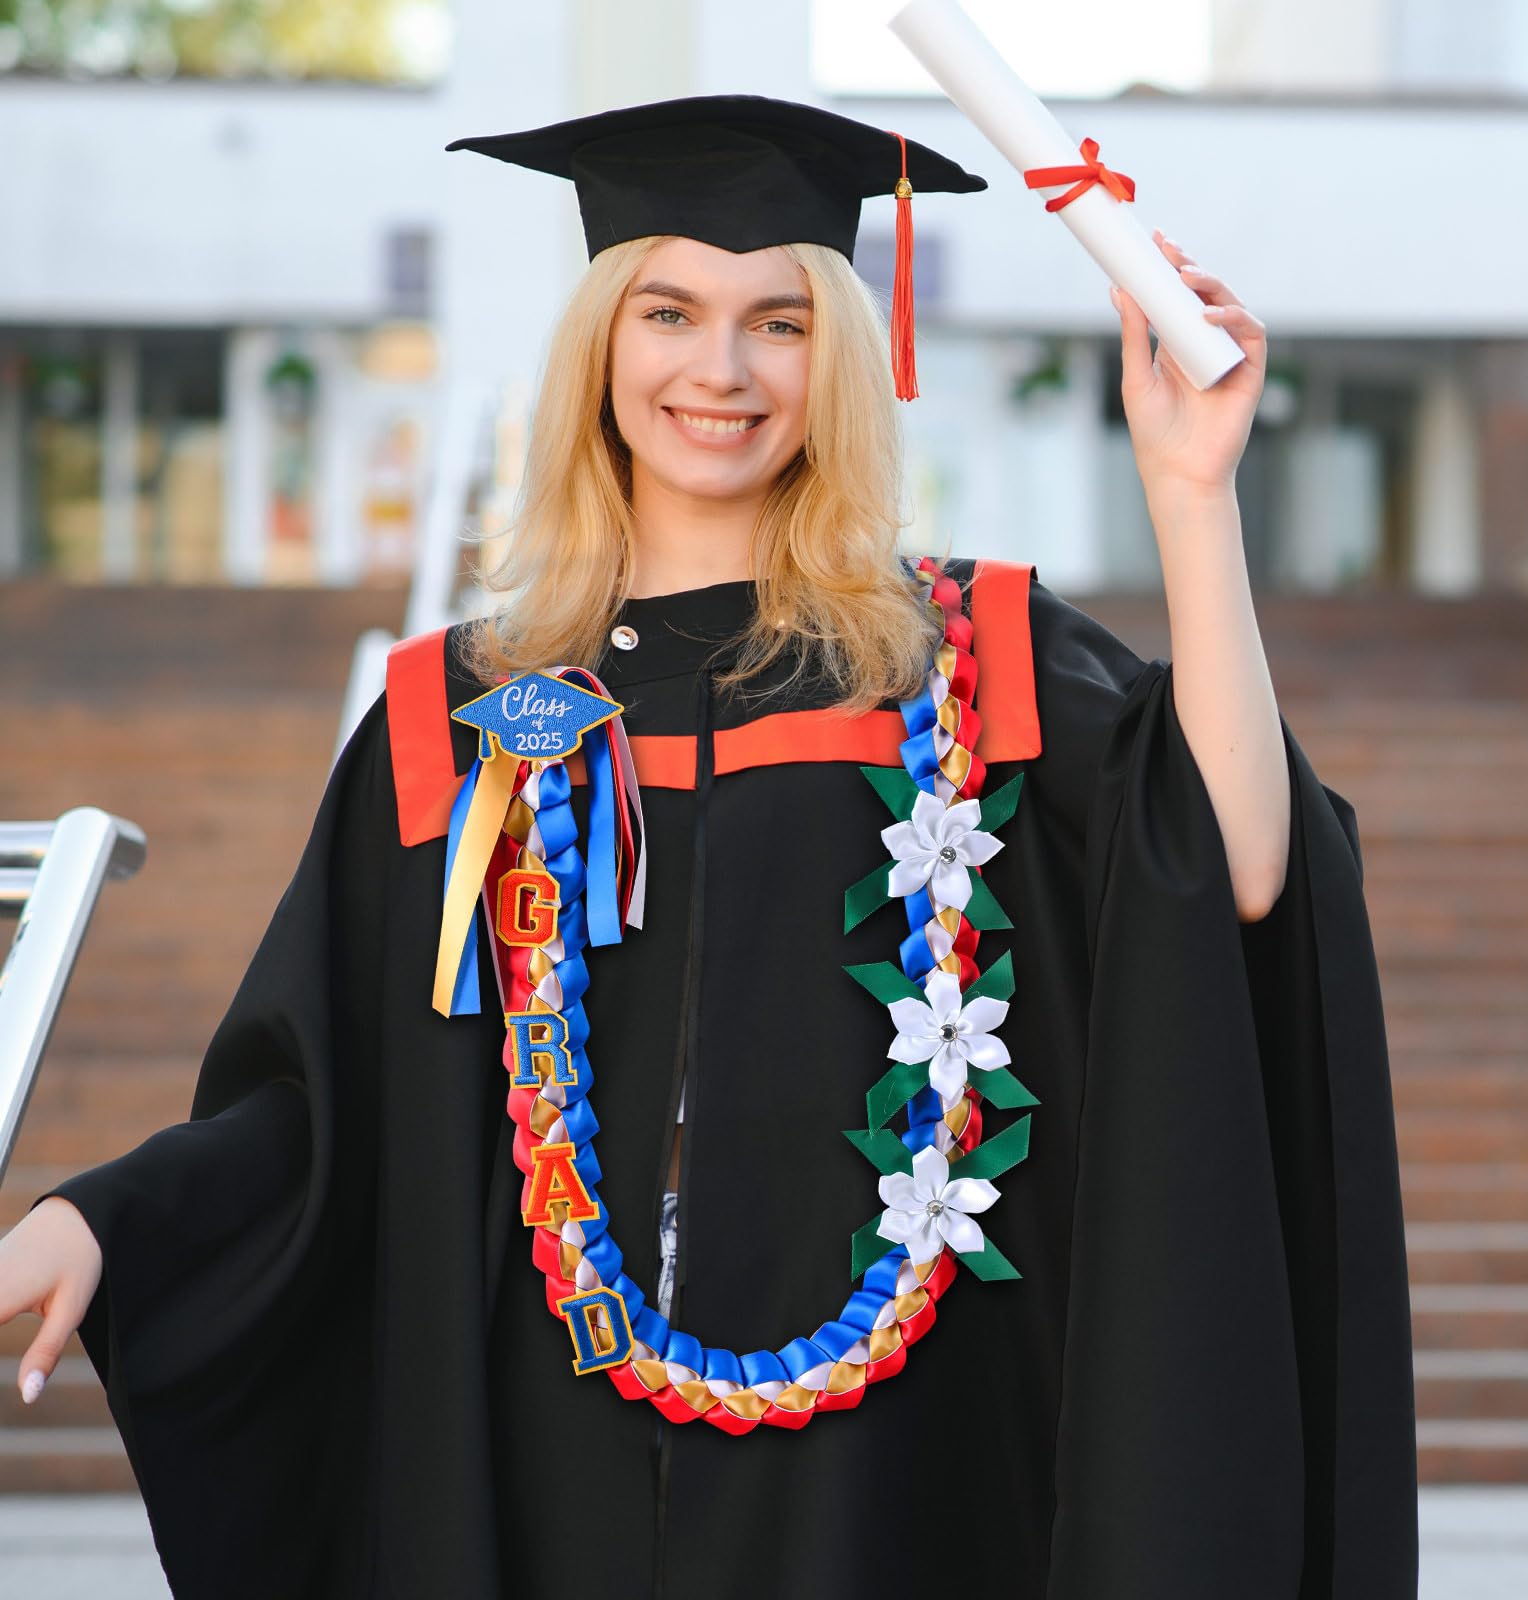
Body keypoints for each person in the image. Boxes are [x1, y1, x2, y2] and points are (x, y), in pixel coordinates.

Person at [0, 94, 1418, 1598]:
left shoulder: (966, 665)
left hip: (891, 1475)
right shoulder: (462, 712)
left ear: (842, 360)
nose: (722, 370)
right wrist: (103, 1222)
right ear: (602, 343)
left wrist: (1194, 497)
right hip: (553, 1464)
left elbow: (1237, 865)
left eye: (780, 322)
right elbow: (324, 1099)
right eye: (669, 311)